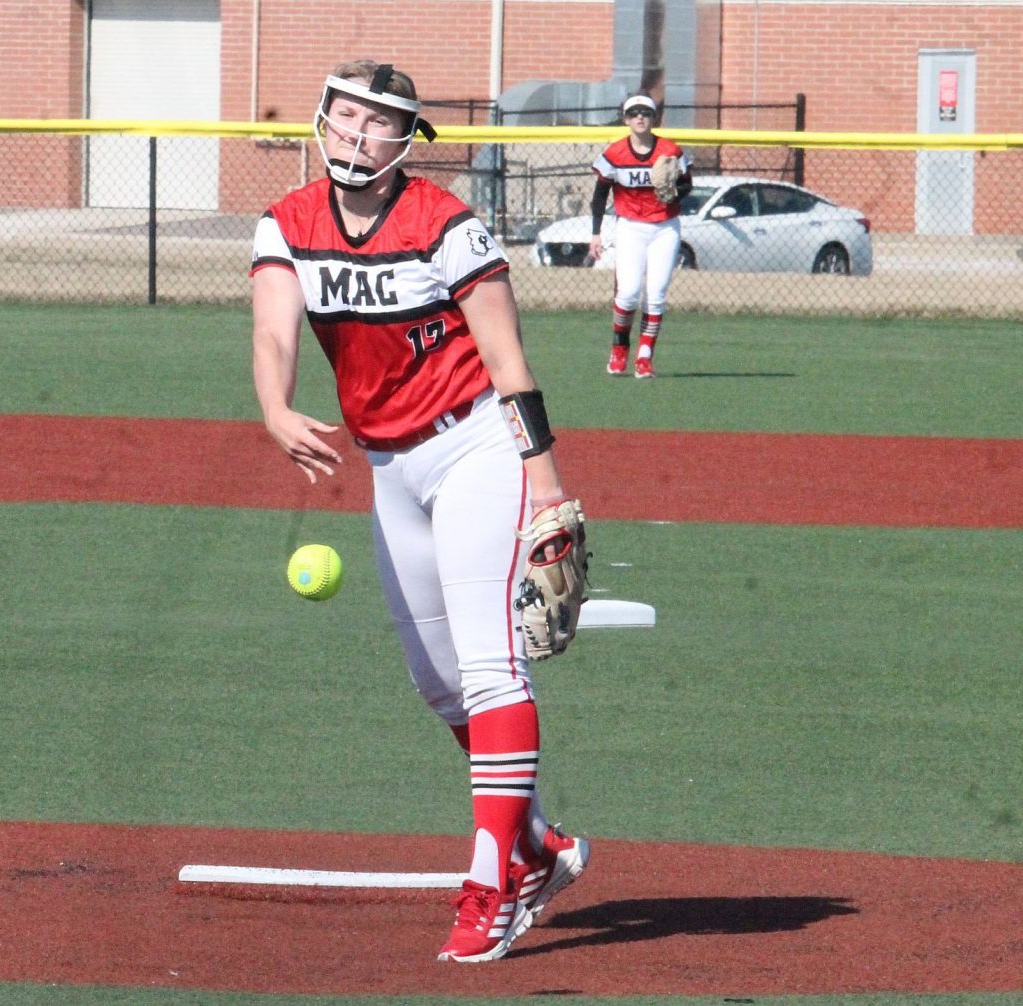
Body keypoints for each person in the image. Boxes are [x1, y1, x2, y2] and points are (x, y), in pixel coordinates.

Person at [249, 60, 590, 964]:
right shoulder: (289, 222)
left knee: (488, 668)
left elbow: (509, 363)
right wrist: (276, 406)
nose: (360, 134)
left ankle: (491, 884)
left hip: (475, 445)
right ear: (321, 120)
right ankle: (538, 845)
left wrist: (547, 488)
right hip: (390, 466)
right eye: (347, 116)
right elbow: (275, 326)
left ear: (409, 139)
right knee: (438, 684)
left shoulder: (447, 225)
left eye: (380, 121)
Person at [589, 94, 692, 378]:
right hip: (631, 226)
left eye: (645, 113)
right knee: (629, 291)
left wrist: (675, 192)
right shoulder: (615, 152)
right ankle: (619, 346)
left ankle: (645, 356)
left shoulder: (670, 150)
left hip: (665, 226)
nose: (639, 118)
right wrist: (595, 233)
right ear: (626, 119)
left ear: (653, 117)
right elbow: (600, 194)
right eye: (633, 113)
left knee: (656, 294)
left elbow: (688, 185)